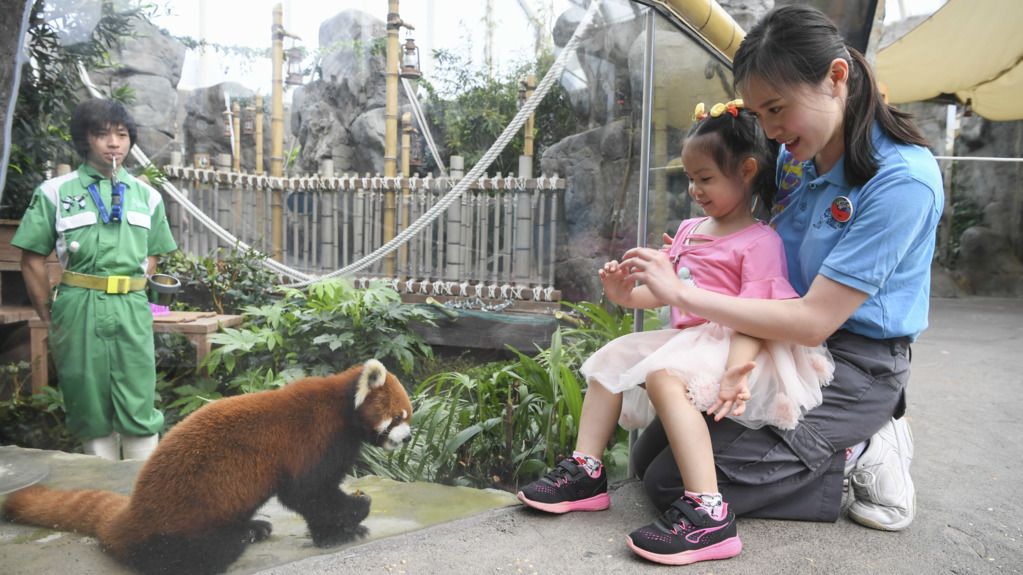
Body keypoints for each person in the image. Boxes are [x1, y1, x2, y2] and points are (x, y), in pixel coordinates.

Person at [620, 4, 942, 534]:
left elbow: (816, 320)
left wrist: (682, 293)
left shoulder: (902, 181)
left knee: (674, 485)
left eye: (776, 109)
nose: (769, 131)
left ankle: (862, 448)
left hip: (852, 360)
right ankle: (827, 447)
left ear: (836, 78)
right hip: (772, 335)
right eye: (758, 114)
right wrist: (698, 249)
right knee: (645, 464)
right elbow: (754, 240)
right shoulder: (797, 152)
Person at [517, 99, 834, 566]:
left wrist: (736, 370)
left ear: (746, 171)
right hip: (689, 336)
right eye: (690, 178)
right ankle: (587, 470)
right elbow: (671, 292)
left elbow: (757, 312)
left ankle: (709, 512)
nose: (694, 189)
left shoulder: (760, 241)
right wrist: (626, 295)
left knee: (665, 376)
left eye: (706, 178)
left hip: (736, 342)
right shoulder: (688, 230)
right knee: (610, 359)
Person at [14, 99, 178, 461]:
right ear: (85, 139)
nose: (114, 143)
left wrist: (135, 281)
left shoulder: (148, 196)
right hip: (77, 306)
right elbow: (31, 260)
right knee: (87, 403)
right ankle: (102, 501)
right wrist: (49, 315)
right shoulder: (55, 192)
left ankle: (141, 499)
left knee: (138, 400)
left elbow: (154, 252)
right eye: (102, 134)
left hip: (131, 307)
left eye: (121, 135)